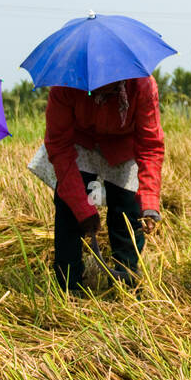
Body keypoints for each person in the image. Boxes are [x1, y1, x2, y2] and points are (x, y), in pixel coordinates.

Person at [43, 76, 164, 293]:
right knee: (68, 209)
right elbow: (59, 146)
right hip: (80, 141)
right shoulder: (65, 84)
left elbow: (150, 144)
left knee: (127, 211)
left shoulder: (142, 84)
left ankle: (126, 284)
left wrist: (149, 201)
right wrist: (82, 210)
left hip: (123, 143)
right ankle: (69, 287)